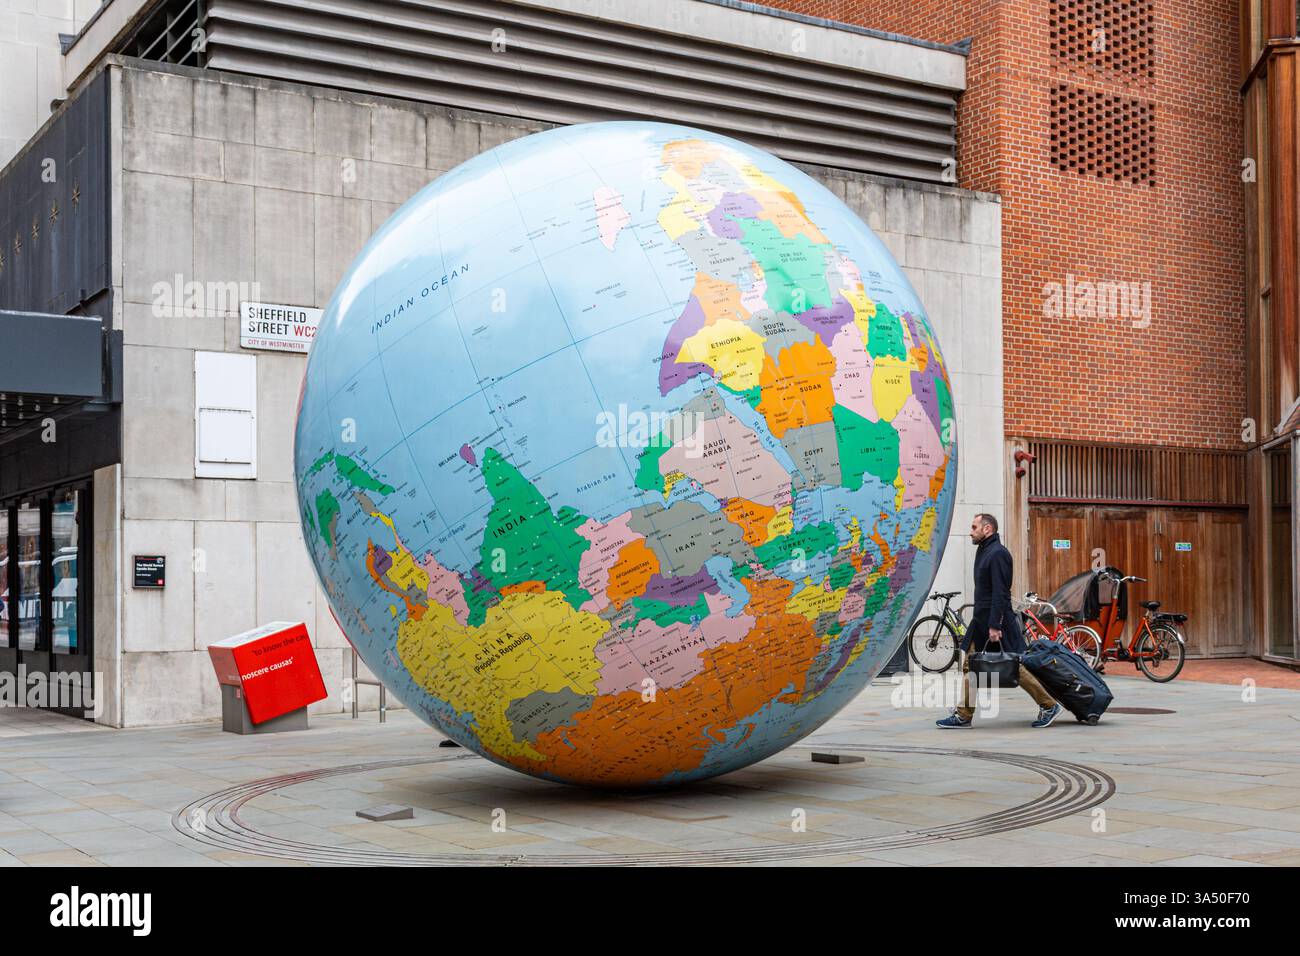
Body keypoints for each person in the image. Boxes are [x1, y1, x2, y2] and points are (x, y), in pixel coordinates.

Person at [936, 514, 1061, 729]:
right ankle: (964, 714)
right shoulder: (984, 550)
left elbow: (1001, 592)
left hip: (995, 623)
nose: (970, 531)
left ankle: (1049, 705)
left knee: (1015, 667)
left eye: (974, 527)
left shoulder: (998, 554)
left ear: (987, 529)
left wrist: (995, 625)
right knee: (970, 666)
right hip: (981, 621)